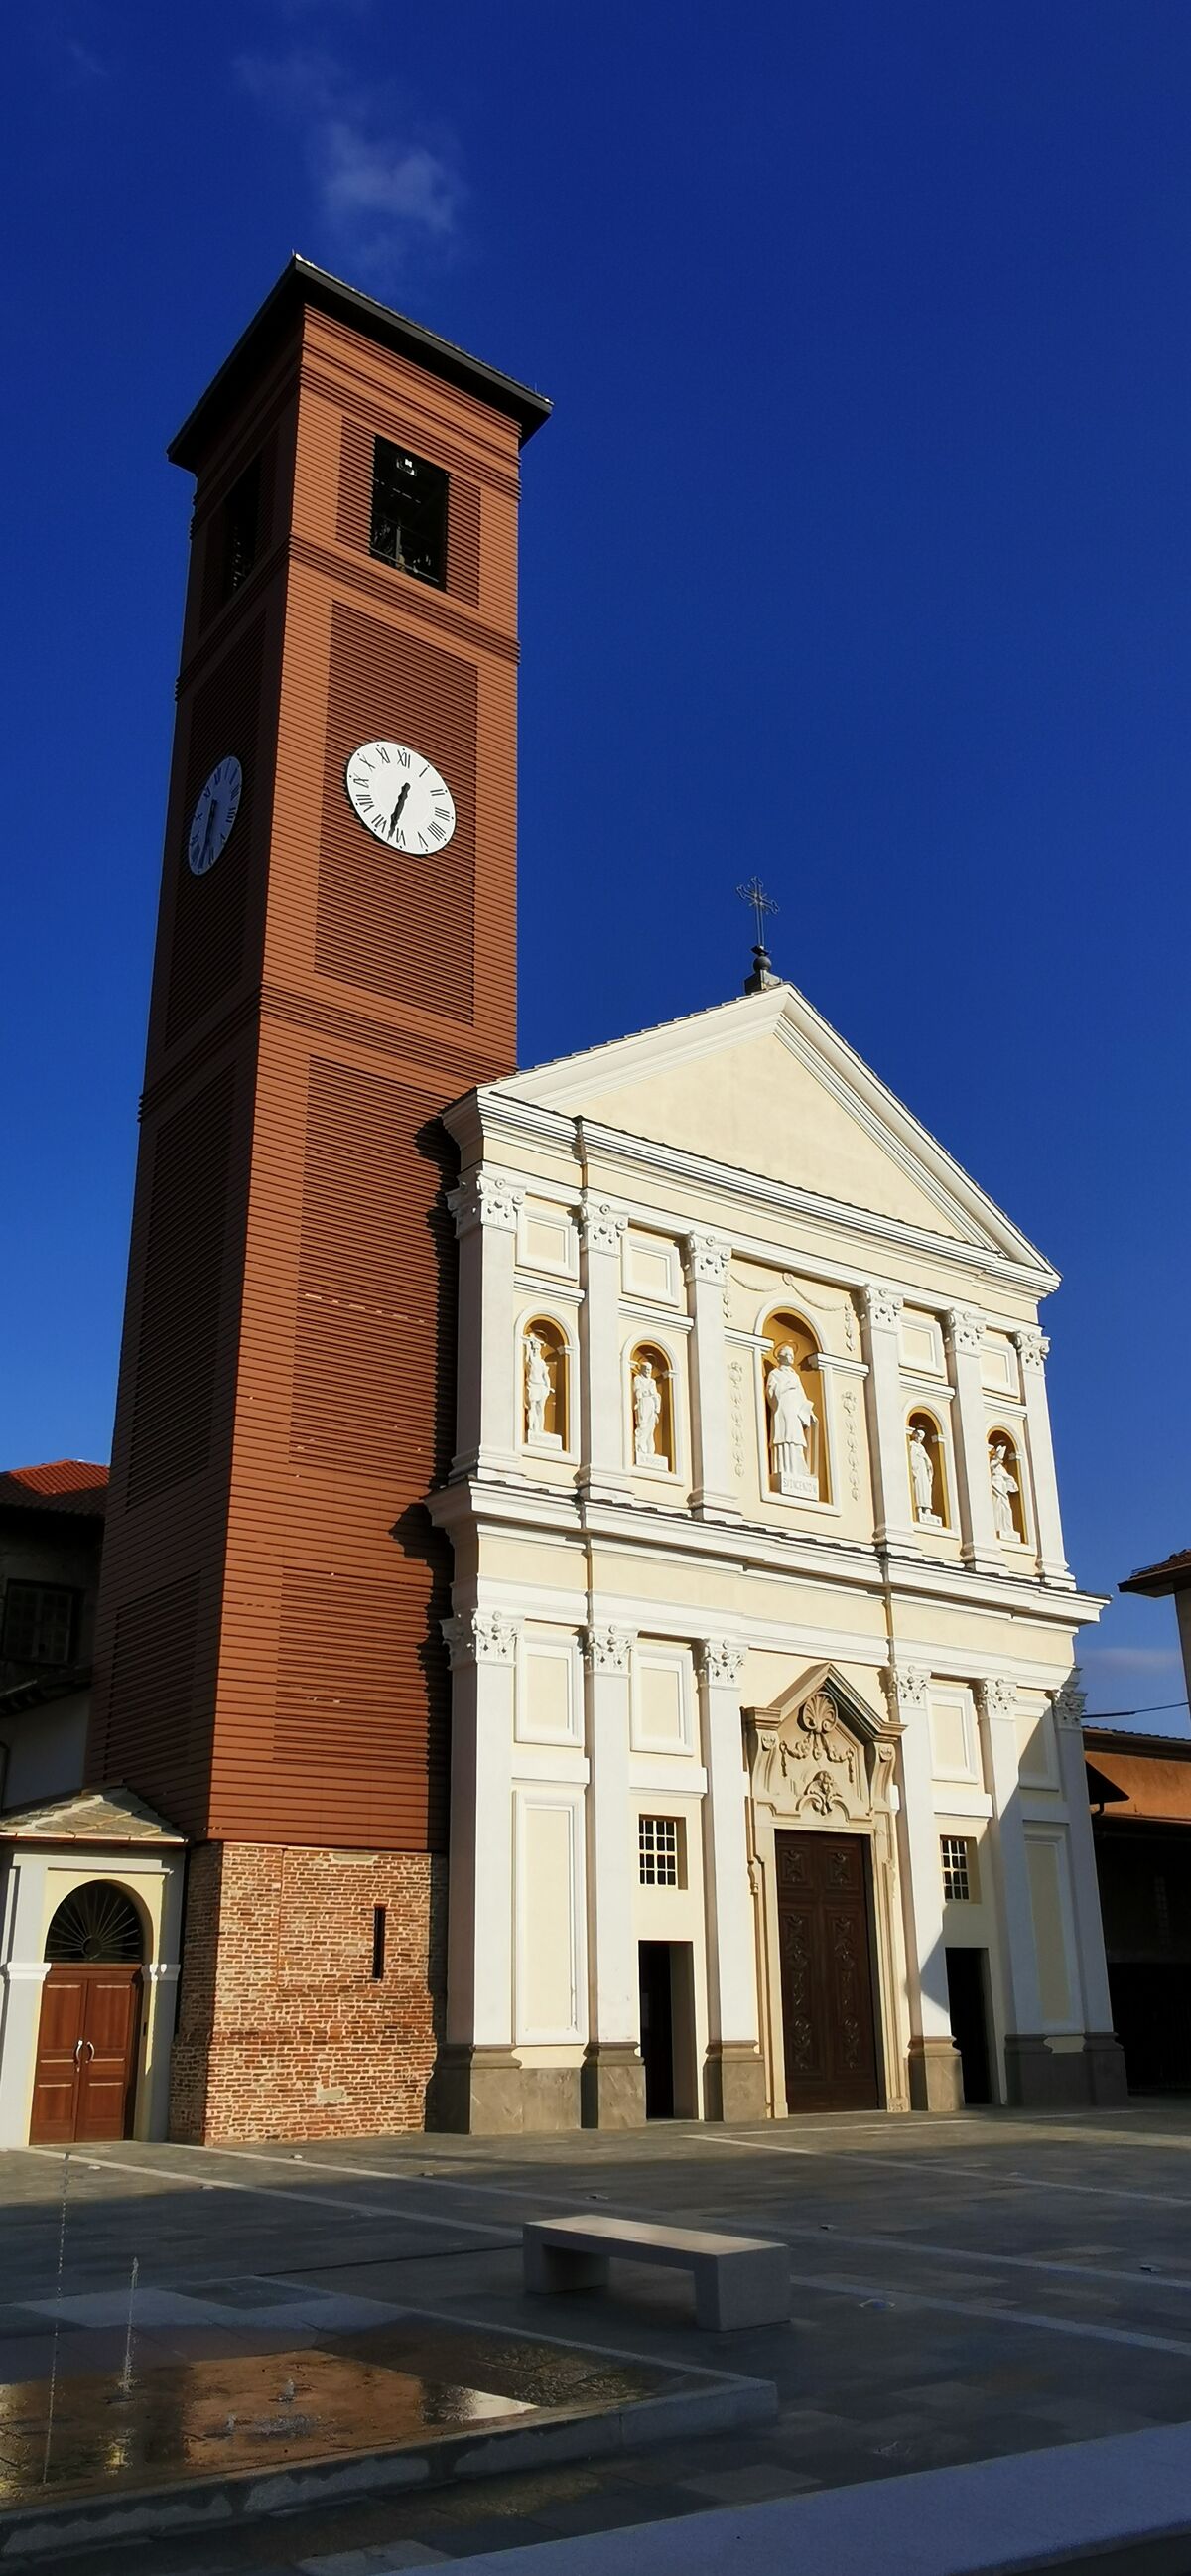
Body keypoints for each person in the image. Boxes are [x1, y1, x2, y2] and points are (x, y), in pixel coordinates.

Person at [767, 1345, 817, 1483]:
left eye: (792, 1354)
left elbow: (802, 1396)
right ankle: (784, 1468)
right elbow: (771, 1394)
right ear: (780, 1357)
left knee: (796, 1438)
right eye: (788, 1354)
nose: (792, 1357)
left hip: (795, 1412)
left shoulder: (795, 1376)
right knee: (784, 1437)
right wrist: (787, 1385)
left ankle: (799, 1470)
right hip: (782, 1411)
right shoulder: (775, 1374)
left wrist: (809, 1411)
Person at [632, 1358, 663, 1463]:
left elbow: (655, 1394)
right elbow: (637, 1392)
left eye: (650, 1370)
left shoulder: (652, 1381)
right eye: (647, 1370)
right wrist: (648, 1391)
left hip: (651, 1404)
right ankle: (641, 1449)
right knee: (643, 1424)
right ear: (642, 1369)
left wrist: (656, 1407)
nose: (648, 1372)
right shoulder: (637, 1379)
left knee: (651, 1428)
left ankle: (650, 1451)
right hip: (643, 1403)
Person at [525, 1330, 553, 1439]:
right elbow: (527, 1353)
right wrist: (530, 1340)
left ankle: (540, 1429)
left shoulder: (542, 1362)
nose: (536, 1350)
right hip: (532, 1385)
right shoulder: (530, 1359)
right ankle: (532, 1428)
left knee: (540, 1408)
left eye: (538, 1348)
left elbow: (546, 1376)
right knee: (532, 1407)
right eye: (535, 1348)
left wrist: (548, 1387)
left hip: (541, 1386)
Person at [990, 1442, 1018, 1539]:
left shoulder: (1001, 1468)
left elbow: (1007, 1476)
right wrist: (998, 1459)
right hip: (995, 1484)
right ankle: (999, 1526)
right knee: (998, 1505)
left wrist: (1012, 1483)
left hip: (1002, 1486)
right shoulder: (993, 1462)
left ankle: (1008, 1528)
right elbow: (992, 1466)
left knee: (1006, 1507)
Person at [908, 1424, 935, 1518]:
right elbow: (912, 1458)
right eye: (919, 1436)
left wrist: (928, 1464)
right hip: (918, 1472)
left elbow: (927, 1459)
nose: (920, 1439)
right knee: (919, 1489)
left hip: (923, 1472)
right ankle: (919, 1508)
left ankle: (927, 1509)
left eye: (922, 1437)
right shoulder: (911, 1445)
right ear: (915, 1435)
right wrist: (914, 1468)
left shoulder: (922, 1448)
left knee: (926, 1489)